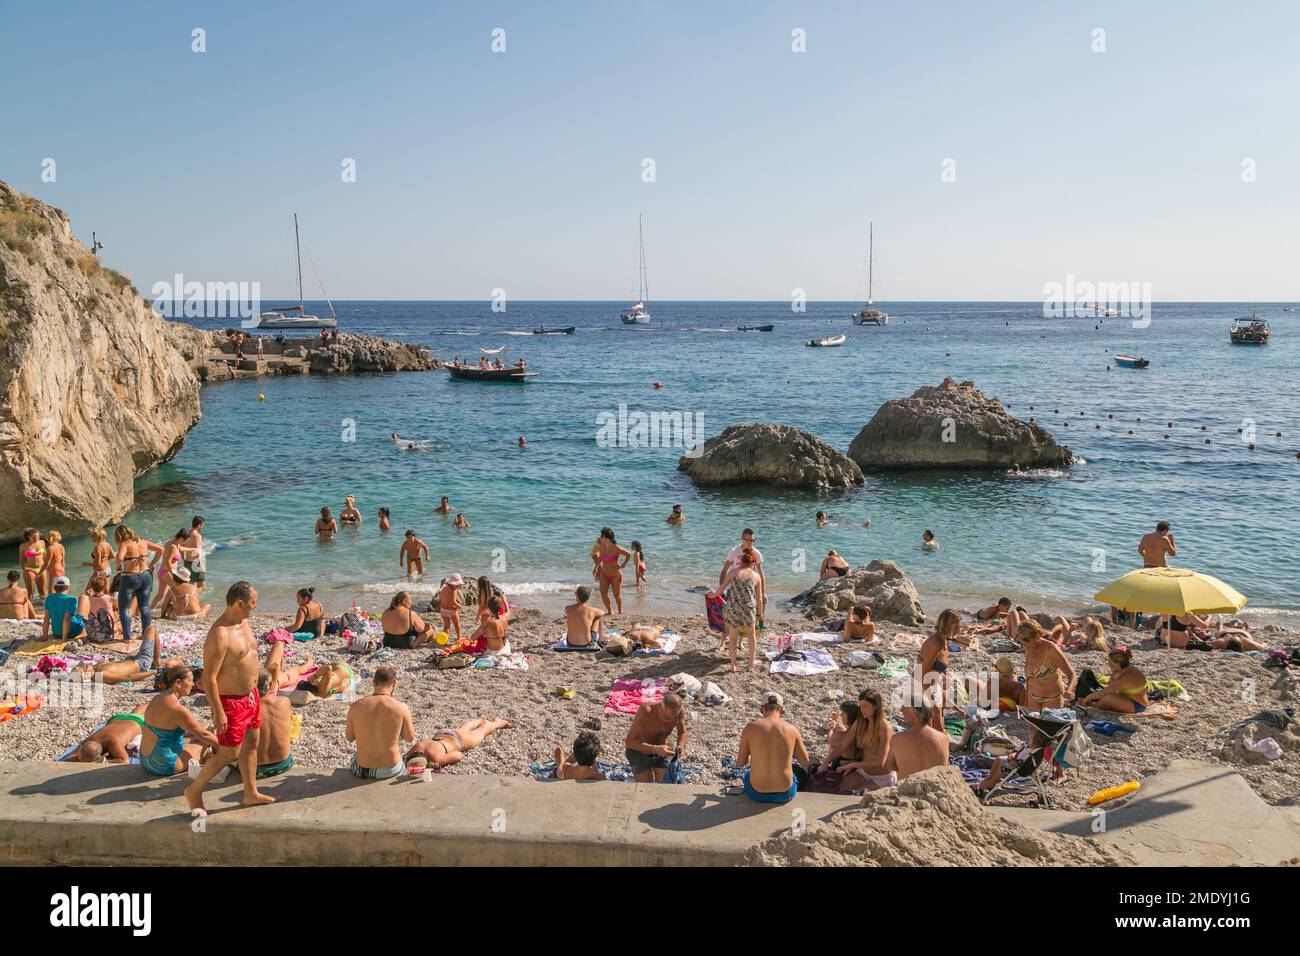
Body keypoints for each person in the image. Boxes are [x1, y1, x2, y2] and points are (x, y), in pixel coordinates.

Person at [185, 581, 277, 815]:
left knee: (251, 745)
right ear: (239, 603)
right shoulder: (219, 634)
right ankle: (194, 790)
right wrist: (218, 711)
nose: (255, 607)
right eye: (252, 603)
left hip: (252, 696)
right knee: (230, 752)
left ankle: (250, 793)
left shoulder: (244, 624)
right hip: (230, 701)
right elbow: (209, 677)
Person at [140, 665, 221, 777]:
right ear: (178, 683)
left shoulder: (157, 698)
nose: (193, 684)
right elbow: (204, 735)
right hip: (163, 766)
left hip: (145, 760)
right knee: (205, 741)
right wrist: (225, 751)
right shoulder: (177, 709)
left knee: (194, 734)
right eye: (191, 681)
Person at [736, 691, 809, 805]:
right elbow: (805, 760)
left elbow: (740, 763)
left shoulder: (750, 728)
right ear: (782, 710)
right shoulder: (791, 729)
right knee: (795, 773)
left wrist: (753, 757)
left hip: (757, 793)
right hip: (785, 793)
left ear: (761, 709)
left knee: (748, 774)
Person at [346, 666, 415, 780]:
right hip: (390, 769)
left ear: (374, 683)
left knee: (354, 757)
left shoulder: (356, 706)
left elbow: (349, 737)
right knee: (403, 762)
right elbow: (409, 738)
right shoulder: (401, 707)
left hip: (363, 770)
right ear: (393, 684)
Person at [835, 689, 895, 793]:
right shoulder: (861, 722)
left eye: (866, 706)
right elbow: (843, 745)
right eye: (861, 706)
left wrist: (853, 765)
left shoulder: (885, 728)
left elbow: (880, 762)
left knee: (854, 794)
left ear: (876, 706)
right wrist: (824, 764)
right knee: (840, 790)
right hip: (864, 772)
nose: (862, 710)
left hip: (883, 776)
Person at [114, 524, 163, 647]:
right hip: (146, 576)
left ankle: (127, 638)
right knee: (145, 607)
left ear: (120, 536)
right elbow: (161, 550)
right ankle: (146, 635)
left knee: (124, 608)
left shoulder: (125, 544)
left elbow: (119, 558)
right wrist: (152, 564)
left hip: (130, 577)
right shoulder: (143, 542)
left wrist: (118, 567)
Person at [404, 716, 511, 771]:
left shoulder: (435, 758)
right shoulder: (418, 746)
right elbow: (403, 756)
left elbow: (459, 755)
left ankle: (499, 722)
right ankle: (480, 720)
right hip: (443, 734)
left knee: (482, 732)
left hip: (459, 742)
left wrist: (437, 764)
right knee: (464, 728)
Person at [625, 692, 688, 783]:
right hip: (639, 752)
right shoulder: (646, 711)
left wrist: (680, 746)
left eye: (673, 718)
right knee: (644, 788)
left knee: (665, 786)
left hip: (662, 752)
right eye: (666, 717)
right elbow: (629, 741)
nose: (669, 721)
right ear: (660, 707)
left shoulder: (679, 711)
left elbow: (682, 733)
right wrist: (655, 749)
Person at [720, 548, 764, 671]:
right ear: (753, 564)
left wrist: (713, 595)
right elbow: (759, 598)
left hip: (733, 607)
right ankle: (751, 661)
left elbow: (722, 587)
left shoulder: (733, 572)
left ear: (741, 562)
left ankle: (733, 664)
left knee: (733, 637)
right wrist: (760, 613)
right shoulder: (756, 576)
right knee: (751, 635)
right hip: (748, 609)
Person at [917, 609, 959, 731]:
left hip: (934, 683)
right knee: (937, 731)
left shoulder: (943, 640)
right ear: (946, 625)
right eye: (955, 627)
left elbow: (936, 665)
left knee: (940, 729)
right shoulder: (935, 644)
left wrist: (943, 675)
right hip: (924, 687)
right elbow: (922, 675)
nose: (959, 630)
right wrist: (932, 702)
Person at [1020, 620, 1076, 709]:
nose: (1024, 643)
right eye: (1021, 640)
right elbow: (1029, 678)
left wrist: (1069, 690)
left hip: (1052, 698)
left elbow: (1071, 674)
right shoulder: (1028, 647)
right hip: (1032, 697)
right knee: (1032, 722)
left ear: (1037, 635)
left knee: (1046, 722)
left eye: (1026, 639)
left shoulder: (1051, 650)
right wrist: (1026, 701)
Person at [64, 704, 148, 763]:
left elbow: (124, 761)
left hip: (137, 722)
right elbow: (68, 758)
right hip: (117, 719)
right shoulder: (89, 741)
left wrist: (103, 762)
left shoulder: (113, 742)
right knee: (136, 712)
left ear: (97, 758)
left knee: (141, 713)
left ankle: (154, 701)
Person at [887, 704, 949, 780]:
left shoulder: (897, 738)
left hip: (909, 789)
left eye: (904, 707)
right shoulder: (944, 738)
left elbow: (890, 766)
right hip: (935, 788)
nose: (901, 710)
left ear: (914, 712)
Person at [1078, 648, 1148, 714]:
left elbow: (1103, 693)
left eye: (1109, 661)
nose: (1108, 663)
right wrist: (1114, 677)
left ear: (1117, 663)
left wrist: (1087, 698)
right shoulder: (1123, 668)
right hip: (1127, 697)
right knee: (1105, 693)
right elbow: (1110, 685)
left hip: (1137, 705)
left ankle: (1092, 705)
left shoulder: (1126, 678)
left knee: (1107, 699)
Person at [254, 669, 295, 778]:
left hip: (255, 769)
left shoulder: (246, 707)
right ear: (271, 684)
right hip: (284, 764)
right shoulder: (284, 701)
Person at [150, 528, 199, 613]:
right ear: (181, 538)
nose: (186, 543)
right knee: (177, 591)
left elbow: (181, 548)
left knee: (160, 595)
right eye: (185, 541)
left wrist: (192, 549)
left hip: (162, 572)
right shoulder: (173, 547)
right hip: (167, 573)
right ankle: (175, 610)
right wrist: (173, 573)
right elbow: (168, 561)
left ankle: (149, 610)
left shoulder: (172, 543)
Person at [591, 527, 631, 615]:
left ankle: (620, 611)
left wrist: (624, 564)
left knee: (616, 596)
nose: (600, 537)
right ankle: (610, 611)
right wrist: (596, 567)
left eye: (601, 535)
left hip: (615, 575)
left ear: (604, 536)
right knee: (603, 594)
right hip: (604, 574)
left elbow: (628, 554)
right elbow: (601, 557)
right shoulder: (601, 545)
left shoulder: (616, 548)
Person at [718, 528, 764, 597]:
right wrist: (721, 590)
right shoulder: (734, 551)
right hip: (734, 587)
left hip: (749, 588)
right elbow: (724, 571)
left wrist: (763, 593)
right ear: (742, 539)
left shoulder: (756, 553)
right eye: (747, 540)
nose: (750, 543)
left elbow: (761, 574)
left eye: (752, 540)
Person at [42, 576, 81, 641]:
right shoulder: (71, 599)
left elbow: (46, 618)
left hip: (56, 634)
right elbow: (66, 620)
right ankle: (83, 634)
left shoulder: (49, 598)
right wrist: (64, 639)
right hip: (70, 633)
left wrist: (44, 637)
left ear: (54, 587)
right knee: (81, 617)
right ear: (67, 587)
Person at [19, 527, 47, 599]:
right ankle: (30, 608)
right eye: (34, 537)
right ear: (29, 537)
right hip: (29, 569)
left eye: (38, 537)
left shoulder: (42, 542)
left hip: (41, 568)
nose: (36, 539)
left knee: (43, 591)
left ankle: (42, 609)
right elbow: (21, 559)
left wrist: (47, 566)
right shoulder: (23, 546)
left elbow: (45, 556)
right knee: (30, 591)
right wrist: (23, 569)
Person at [86, 528, 114, 595]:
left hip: (100, 571)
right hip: (108, 569)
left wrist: (86, 564)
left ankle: (92, 604)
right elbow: (113, 556)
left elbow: (97, 563)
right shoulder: (107, 544)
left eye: (93, 535)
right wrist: (104, 560)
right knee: (106, 590)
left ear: (98, 537)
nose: (91, 537)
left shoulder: (98, 547)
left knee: (88, 591)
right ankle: (110, 603)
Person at [183, 516, 207, 593]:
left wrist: (184, 558)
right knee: (202, 586)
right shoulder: (197, 536)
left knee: (191, 585)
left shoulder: (187, 534)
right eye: (203, 525)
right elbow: (196, 551)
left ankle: (189, 601)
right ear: (199, 525)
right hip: (195, 563)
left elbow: (181, 547)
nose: (203, 527)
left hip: (186, 562)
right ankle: (193, 600)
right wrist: (201, 566)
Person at [437, 573, 464, 641]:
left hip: (443, 610)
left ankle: (444, 639)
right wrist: (459, 606)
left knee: (446, 626)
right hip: (451, 611)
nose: (458, 586)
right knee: (457, 625)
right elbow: (453, 602)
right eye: (457, 585)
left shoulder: (443, 587)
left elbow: (440, 598)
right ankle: (459, 638)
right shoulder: (453, 591)